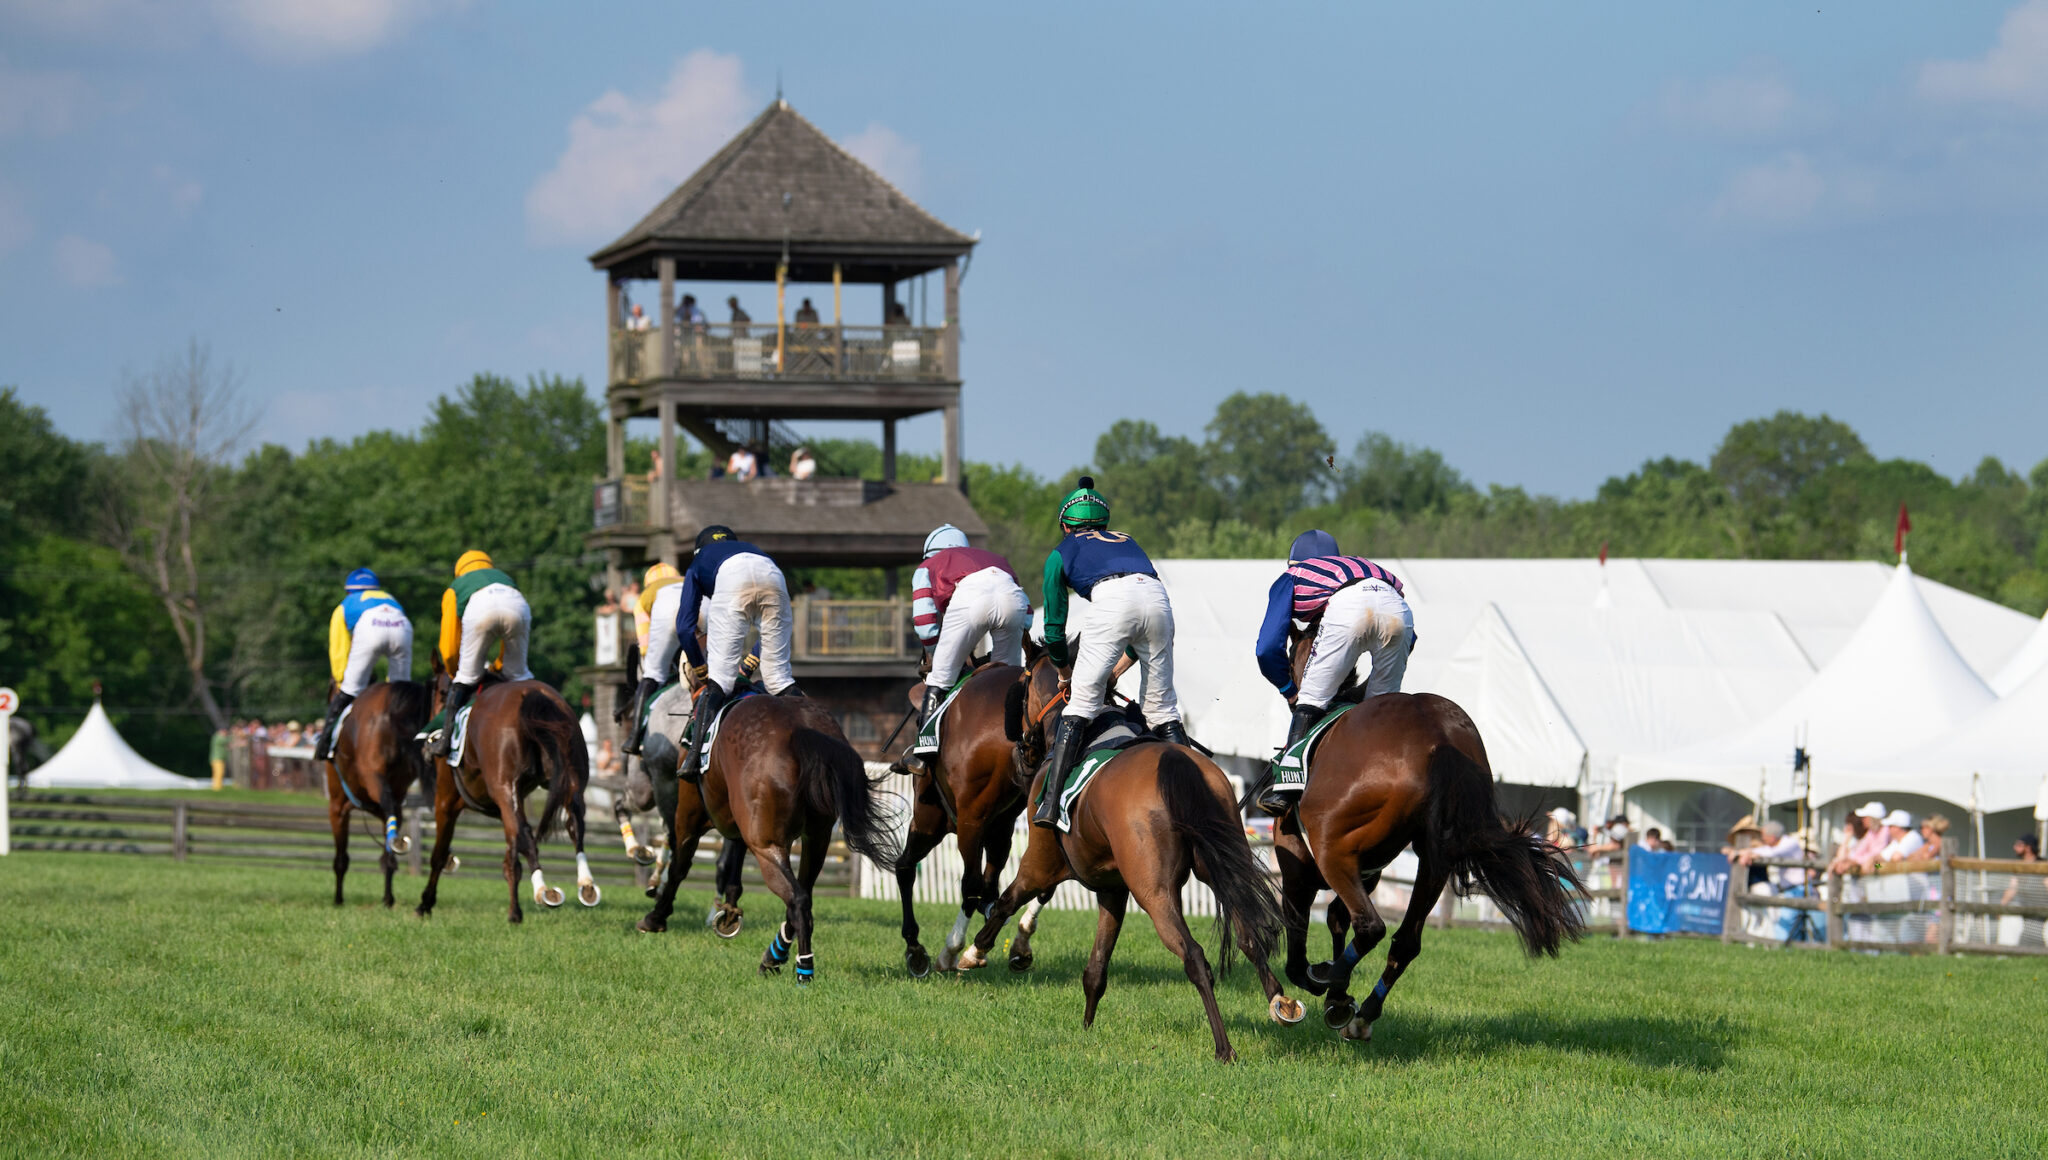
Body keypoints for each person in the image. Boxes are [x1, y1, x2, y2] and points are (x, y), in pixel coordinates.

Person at [1033, 477, 1186, 829]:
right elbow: (1140, 618)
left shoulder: (1061, 552)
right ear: (1104, 523)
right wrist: (1116, 671)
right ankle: (1197, 793)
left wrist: (1064, 673)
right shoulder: (1128, 540)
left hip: (1113, 601)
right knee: (1162, 710)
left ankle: (1051, 805)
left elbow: (1054, 629)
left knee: (1081, 706)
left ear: (1065, 526)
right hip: (1157, 597)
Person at [1240, 530, 1414, 816]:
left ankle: (1285, 788)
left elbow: (1267, 648)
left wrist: (1290, 691)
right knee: (1380, 709)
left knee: (1311, 698)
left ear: (1295, 562)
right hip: (1398, 608)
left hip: (1351, 607)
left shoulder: (1293, 575)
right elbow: (1410, 638)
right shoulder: (1358, 566)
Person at [675, 526, 802, 782]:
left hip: (732, 580)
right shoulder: (752, 551)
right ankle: (820, 736)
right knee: (779, 680)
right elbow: (772, 635)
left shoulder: (699, 562)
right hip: (774, 575)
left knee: (720, 682)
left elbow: (684, 628)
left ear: (699, 550)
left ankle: (693, 757)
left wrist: (701, 668)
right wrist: (751, 662)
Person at [909, 523, 1031, 739]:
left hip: (971, 599)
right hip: (1013, 603)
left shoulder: (928, 565)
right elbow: (1027, 618)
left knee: (940, 679)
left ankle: (925, 746)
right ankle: (1020, 744)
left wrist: (940, 656)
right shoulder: (998, 560)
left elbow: (925, 624)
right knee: (1008, 678)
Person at [426, 550, 534, 759]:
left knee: (465, 678)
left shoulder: (456, 587)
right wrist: (499, 668)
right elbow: (508, 643)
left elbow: (449, 646)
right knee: (520, 677)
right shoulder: (506, 579)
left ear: (459, 571)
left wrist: (455, 673)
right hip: (516, 604)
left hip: (480, 609)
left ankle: (444, 741)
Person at [313, 567, 415, 761]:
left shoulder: (345, 605)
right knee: (401, 693)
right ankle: (414, 745)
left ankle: (324, 745)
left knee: (349, 690)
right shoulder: (390, 598)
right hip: (402, 626)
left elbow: (339, 649)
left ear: (349, 591)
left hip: (370, 628)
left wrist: (342, 680)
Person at [619, 561, 684, 756]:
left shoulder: (646, 595)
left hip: (666, 614)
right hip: (700, 603)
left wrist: (652, 658)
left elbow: (645, 643)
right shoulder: (686, 580)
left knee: (653, 673)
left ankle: (634, 737)